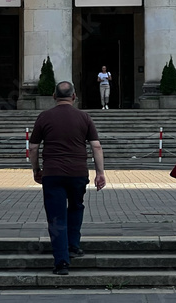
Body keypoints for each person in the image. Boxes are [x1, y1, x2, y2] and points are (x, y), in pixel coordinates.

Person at [29, 81, 106, 276]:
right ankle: (73, 245)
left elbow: (33, 148)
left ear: (54, 97)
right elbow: (96, 146)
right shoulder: (84, 117)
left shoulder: (44, 117)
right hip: (78, 173)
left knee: (56, 217)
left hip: (52, 173)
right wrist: (100, 173)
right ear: (74, 96)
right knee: (76, 207)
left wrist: (36, 169)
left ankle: (61, 262)